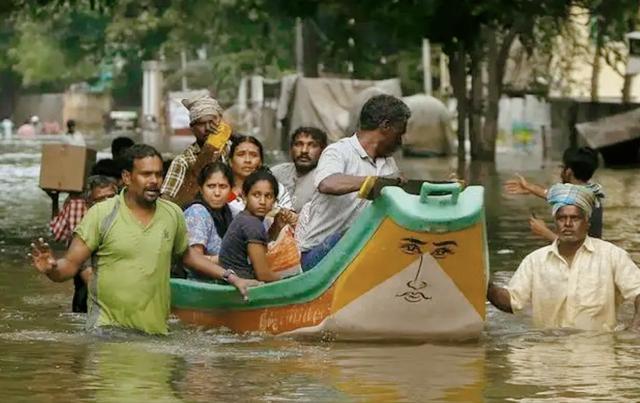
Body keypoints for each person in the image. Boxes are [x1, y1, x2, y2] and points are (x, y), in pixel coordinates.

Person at [30, 144, 258, 335]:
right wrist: (51, 268)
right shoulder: (101, 215)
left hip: (155, 335)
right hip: (107, 333)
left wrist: (231, 276)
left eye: (159, 174)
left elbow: (188, 256)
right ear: (127, 177)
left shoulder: (172, 214)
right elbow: (70, 265)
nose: (154, 181)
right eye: (146, 174)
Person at [487, 183, 640, 331]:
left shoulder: (612, 256)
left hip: (597, 353)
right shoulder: (535, 261)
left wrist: (634, 329)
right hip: (549, 352)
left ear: (587, 222)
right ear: (555, 222)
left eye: (575, 218)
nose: (567, 223)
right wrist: (485, 285)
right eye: (562, 218)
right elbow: (512, 302)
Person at [297, 94, 411, 271]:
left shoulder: (388, 164)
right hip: (318, 257)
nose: (401, 140)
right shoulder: (338, 152)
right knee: (360, 236)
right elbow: (328, 183)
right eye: (400, 132)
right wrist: (376, 182)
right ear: (386, 126)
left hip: (361, 250)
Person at [504, 146, 604, 240]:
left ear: (568, 171)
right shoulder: (590, 193)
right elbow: (552, 194)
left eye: (562, 167)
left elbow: (573, 246)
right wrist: (529, 187)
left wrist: (543, 231)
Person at [218, 169, 282, 282]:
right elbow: (263, 275)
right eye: (256, 195)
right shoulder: (251, 224)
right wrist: (289, 280)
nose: (262, 201)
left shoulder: (244, 218)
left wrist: (276, 226)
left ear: (275, 200)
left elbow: (262, 244)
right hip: (240, 283)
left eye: (268, 196)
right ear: (244, 196)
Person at [161, 95, 225, 201]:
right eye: (202, 124)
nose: (208, 128)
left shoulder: (229, 152)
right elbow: (166, 203)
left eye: (212, 123)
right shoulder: (183, 161)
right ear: (192, 128)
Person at [70, 175, 118, 313]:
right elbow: (89, 277)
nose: (107, 204)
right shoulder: (83, 235)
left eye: (111, 197)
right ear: (88, 204)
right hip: (88, 310)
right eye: (100, 200)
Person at [183, 162, 235, 280]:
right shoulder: (197, 212)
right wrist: (231, 258)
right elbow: (195, 260)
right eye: (211, 186)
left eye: (223, 186)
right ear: (201, 189)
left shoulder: (229, 212)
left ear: (231, 189)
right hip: (199, 286)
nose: (217, 193)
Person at [227, 135, 293, 213]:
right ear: (230, 161)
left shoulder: (276, 188)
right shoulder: (221, 189)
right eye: (241, 154)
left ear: (261, 162)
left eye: (253, 155)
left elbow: (290, 219)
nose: (247, 160)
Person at [271, 126, 328, 212]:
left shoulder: (326, 178)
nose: (304, 151)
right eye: (299, 144)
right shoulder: (277, 173)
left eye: (312, 145)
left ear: (323, 151)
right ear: (291, 149)